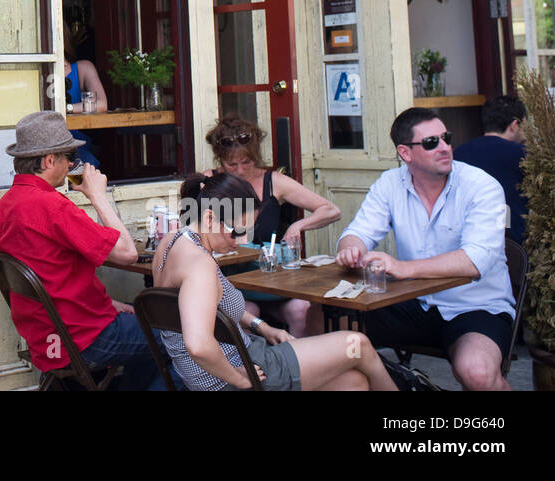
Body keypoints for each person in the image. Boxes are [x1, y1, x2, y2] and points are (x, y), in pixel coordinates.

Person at [153, 172, 396, 391]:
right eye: (236, 231)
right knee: (358, 344)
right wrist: (240, 378)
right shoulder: (200, 266)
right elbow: (198, 345)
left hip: (223, 365)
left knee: (354, 383)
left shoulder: (172, 241)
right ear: (208, 218)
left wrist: (263, 326)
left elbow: (206, 308)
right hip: (237, 372)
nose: (240, 241)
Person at [336, 107, 514, 391]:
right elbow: (357, 232)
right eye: (432, 142)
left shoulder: (481, 186)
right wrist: (351, 249)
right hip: (415, 303)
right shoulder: (390, 183)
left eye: (447, 138)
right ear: (405, 153)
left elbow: (475, 260)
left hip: (475, 306)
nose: (444, 147)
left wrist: (402, 268)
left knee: (478, 373)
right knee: (328, 318)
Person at [0, 111, 164, 389]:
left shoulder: (3, 209)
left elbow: (51, 278)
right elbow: (128, 253)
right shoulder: (52, 206)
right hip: (85, 336)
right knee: (176, 335)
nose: (72, 164)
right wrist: (98, 197)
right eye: (67, 157)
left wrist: (111, 305)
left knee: (139, 321)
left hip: (45, 338)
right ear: (48, 161)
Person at [204, 115, 340, 335]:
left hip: (273, 282)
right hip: (233, 282)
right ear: (220, 160)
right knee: (245, 310)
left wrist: (299, 226)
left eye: (246, 162)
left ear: (255, 157)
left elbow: (332, 210)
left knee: (301, 308)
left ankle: (300, 365)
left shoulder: (273, 181)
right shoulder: (209, 182)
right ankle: (253, 367)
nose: (240, 171)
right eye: (232, 164)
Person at [452, 95, 528, 244]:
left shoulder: (458, 154)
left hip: (466, 239)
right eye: (525, 125)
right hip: (513, 242)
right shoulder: (522, 154)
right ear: (514, 125)